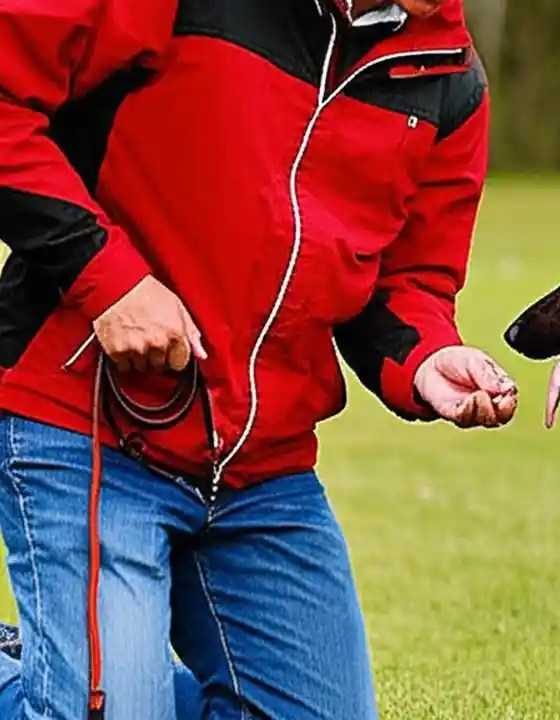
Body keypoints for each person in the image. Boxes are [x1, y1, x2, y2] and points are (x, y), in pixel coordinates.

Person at [0, 0, 516, 717]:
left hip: (262, 473)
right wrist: (105, 277)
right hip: (86, 423)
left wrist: (430, 358)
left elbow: (407, 283)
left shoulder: (449, 80)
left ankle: (69, 668)